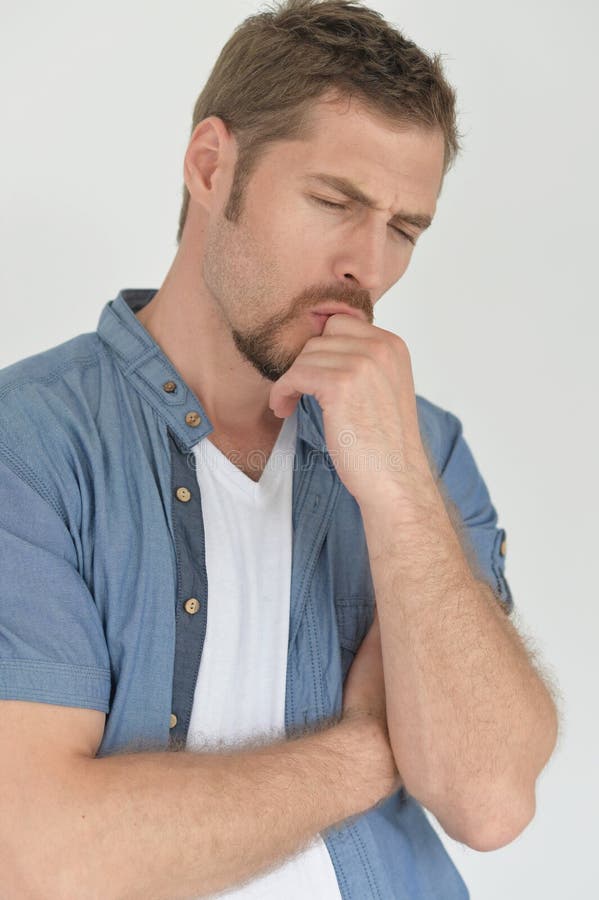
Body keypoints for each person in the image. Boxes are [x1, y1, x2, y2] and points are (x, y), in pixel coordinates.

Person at [0, 1, 558, 898]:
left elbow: (488, 799)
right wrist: (373, 747)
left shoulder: (424, 447)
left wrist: (399, 491)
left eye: (405, 229)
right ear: (213, 167)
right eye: (334, 202)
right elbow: (43, 859)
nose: (367, 268)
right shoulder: (28, 445)